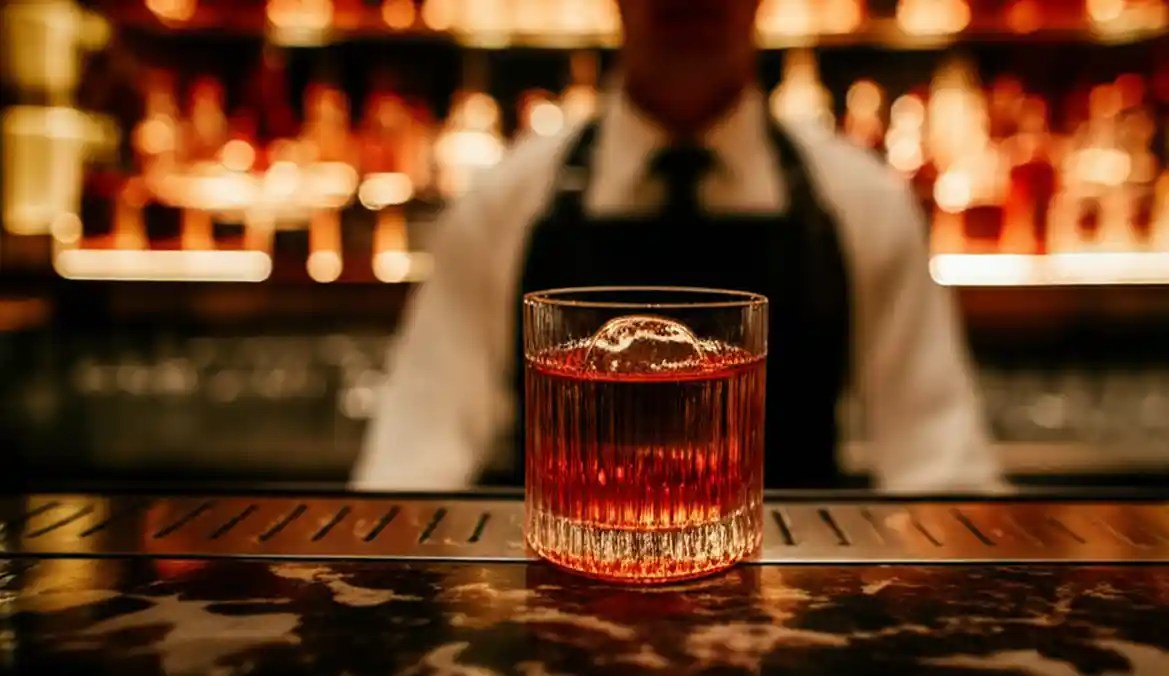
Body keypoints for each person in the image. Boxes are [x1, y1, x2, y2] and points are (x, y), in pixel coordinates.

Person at [353, 0, 1005, 494]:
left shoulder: (864, 202)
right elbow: (414, 464)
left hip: (795, 637)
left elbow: (941, 471)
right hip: (566, 619)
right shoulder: (503, 203)